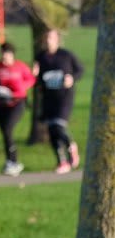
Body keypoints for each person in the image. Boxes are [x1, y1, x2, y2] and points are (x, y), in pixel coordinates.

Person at [32, 28, 84, 173]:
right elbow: (37, 81)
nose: (48, 40)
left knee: (58, 126)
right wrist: (34, 75)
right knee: (52, 131)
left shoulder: (66, 55)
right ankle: (62, 162)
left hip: (64, 98)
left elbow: (80, 70)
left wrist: (72, 78)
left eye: (51, 38)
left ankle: (71, 146)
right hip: (48, 98)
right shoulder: (40, 57)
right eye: (46, 38)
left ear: (57, 40)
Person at [0, 41, 36, 176]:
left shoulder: (20, 67)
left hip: (17, 103)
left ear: (12, 54)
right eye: (2, 54)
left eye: (6, 55)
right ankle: (10, 161)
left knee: (8, 129)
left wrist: (19, 89)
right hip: (1, 104)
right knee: (5, 133)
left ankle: (13, 161)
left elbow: (31, 80)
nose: (4, 57)